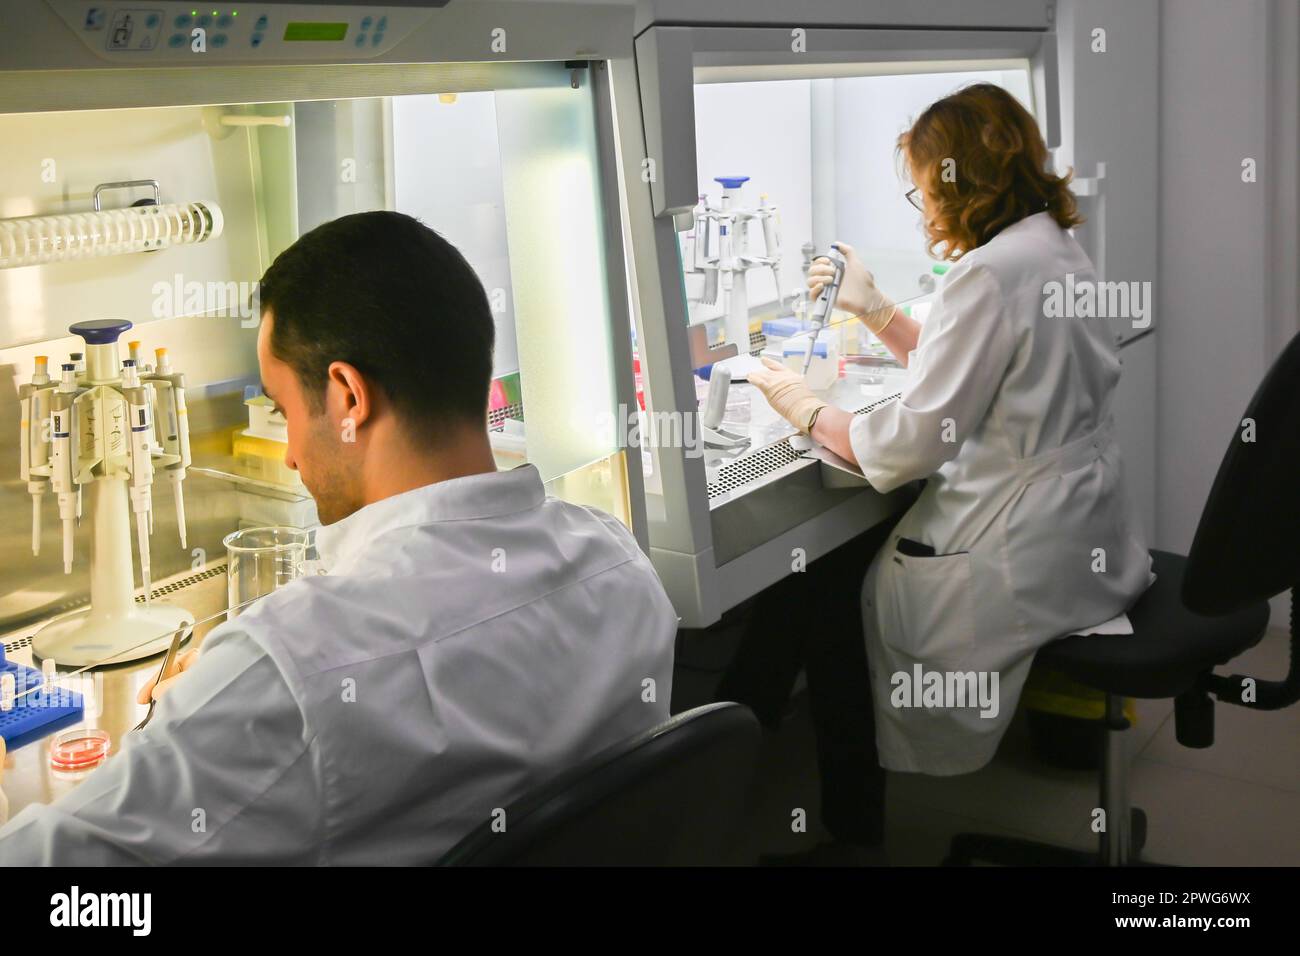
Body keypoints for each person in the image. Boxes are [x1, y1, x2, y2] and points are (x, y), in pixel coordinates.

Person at [0, 211, 678, 865]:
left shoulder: (289, 670)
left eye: (282, 409)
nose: (290, 453)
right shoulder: (618, 564)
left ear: (349, 398)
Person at [734, 83, 1153, 859]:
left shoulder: (990, 274)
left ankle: (841, 829)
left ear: (958, 182)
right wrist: (879, 311)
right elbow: (975, 376)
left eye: (923, 184)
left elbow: (907, 442)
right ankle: (740, 741)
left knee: (825, 593)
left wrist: (799, 405)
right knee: (819, 580)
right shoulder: (1049, 246)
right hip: (1082, 528)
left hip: (1021, 547)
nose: (921, 202)